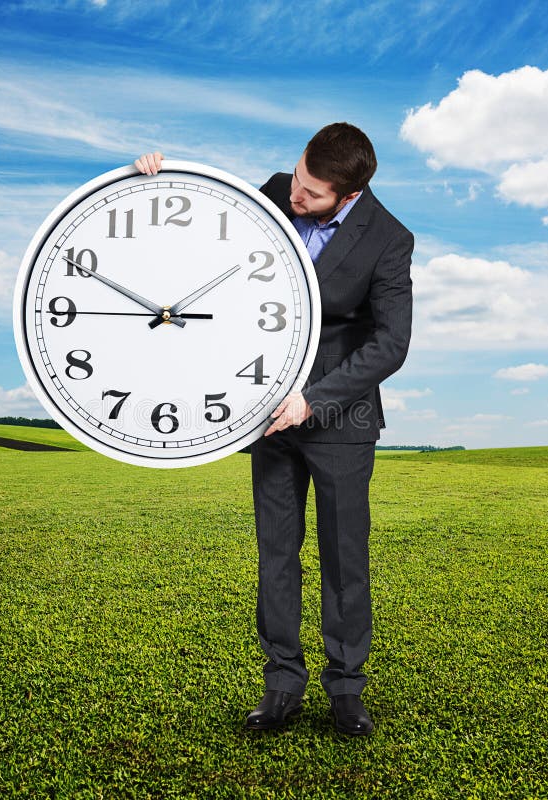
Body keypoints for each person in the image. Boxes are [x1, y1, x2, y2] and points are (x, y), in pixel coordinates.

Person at [135, 122, 413, 736]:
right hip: (264, 413)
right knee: (276, 554)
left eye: (312, 193)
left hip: (339, 418)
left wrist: (312, 401)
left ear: (348, 195)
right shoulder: (276, 191)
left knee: (344, 556)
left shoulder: (389, 239)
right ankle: (282, 684)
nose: (295, 195)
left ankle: (346, 689)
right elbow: (206, 230)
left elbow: (391, 344)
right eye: (298, 176)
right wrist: (158, 181)